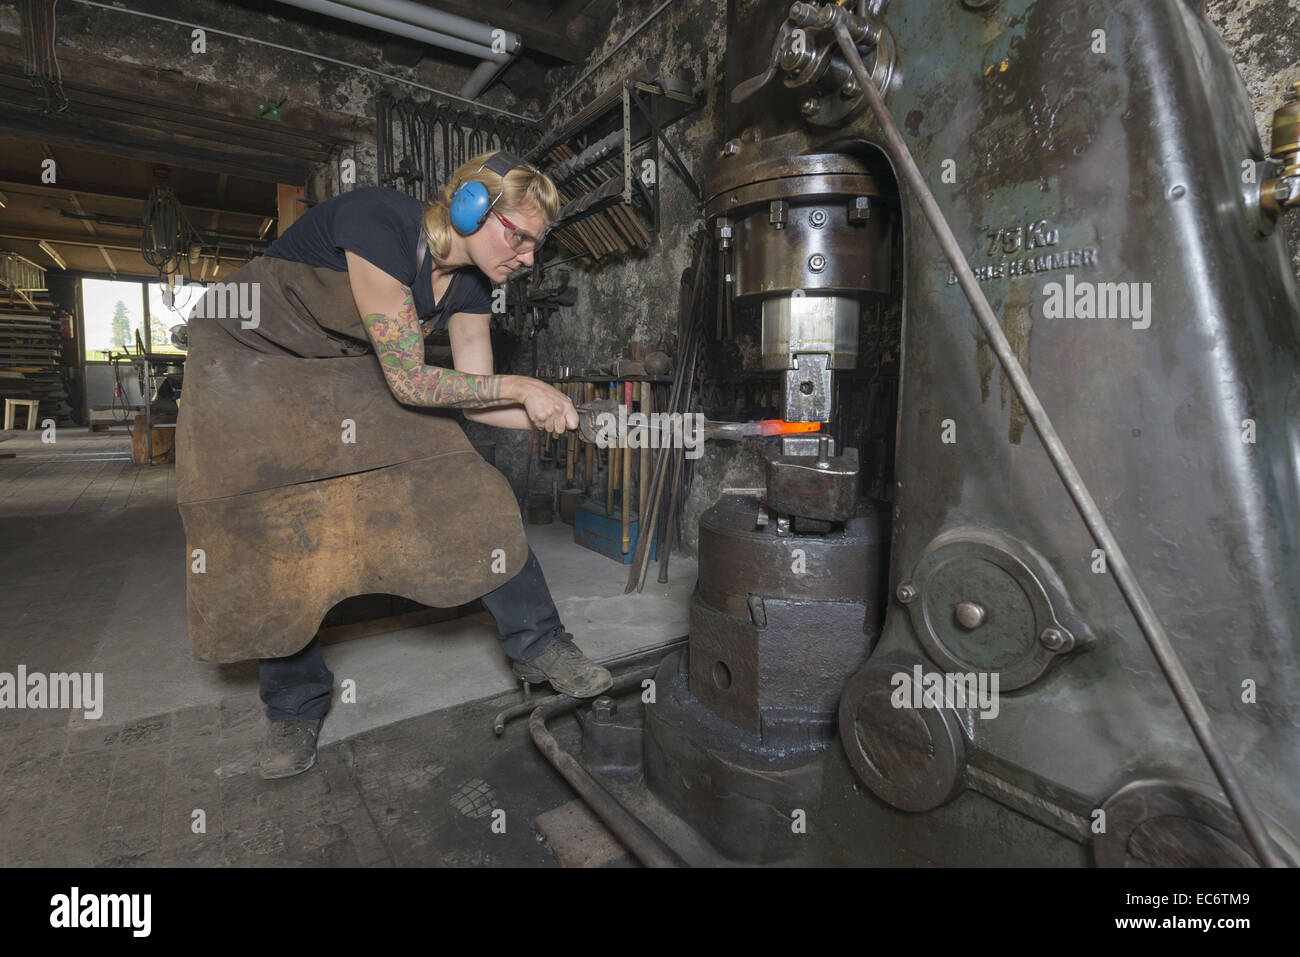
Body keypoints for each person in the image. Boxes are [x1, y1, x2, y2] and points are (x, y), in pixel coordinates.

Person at [175, 151, 612, 780]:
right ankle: (294, 710)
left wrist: (570, 419)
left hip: (346, 371)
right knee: (271, 535)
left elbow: (481, 400)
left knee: (464, 484)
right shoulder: (377, 221)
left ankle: (542, 645)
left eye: (537, 245)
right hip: (248, 361)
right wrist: (523, 386)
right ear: (469, 207)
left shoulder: (471, 289)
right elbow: (410, 380)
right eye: (520, 236)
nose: (529, 257)